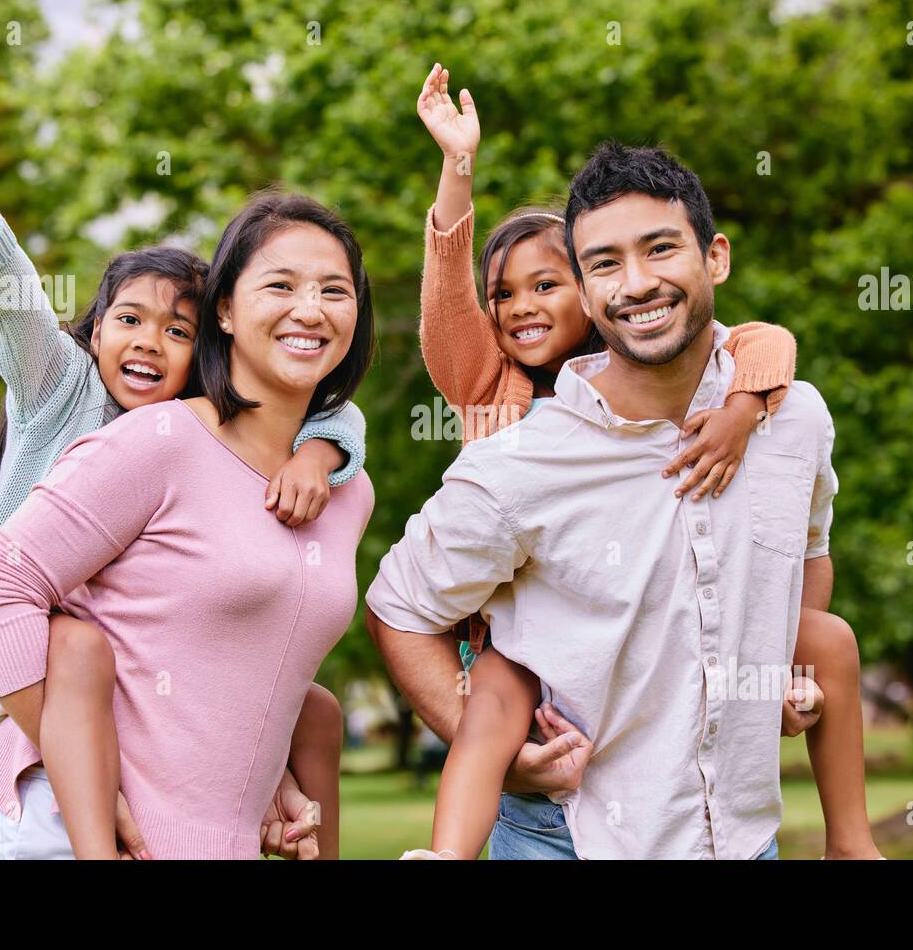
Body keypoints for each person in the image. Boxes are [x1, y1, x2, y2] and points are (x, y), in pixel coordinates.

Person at [369, 140, 867, 859]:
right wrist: (492, 743)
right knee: (504, 684)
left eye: (661, 249)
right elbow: (402, 604)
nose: (635, 283)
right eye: (605, 263)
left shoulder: (790, 417)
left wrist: (782, 667)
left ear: (716, 257)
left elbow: (806, 551)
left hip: (741, 837)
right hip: (568, 830)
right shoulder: (516, 441)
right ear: (592, 286)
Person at [0, 191, 375, 858]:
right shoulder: (160, 438)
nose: (310, 307)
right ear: (228, 312)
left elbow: (241, 671)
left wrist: (274, 786)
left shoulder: (347, 489)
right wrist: (93, 787)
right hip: (70, 832)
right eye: (281, 284)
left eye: (335, 289)